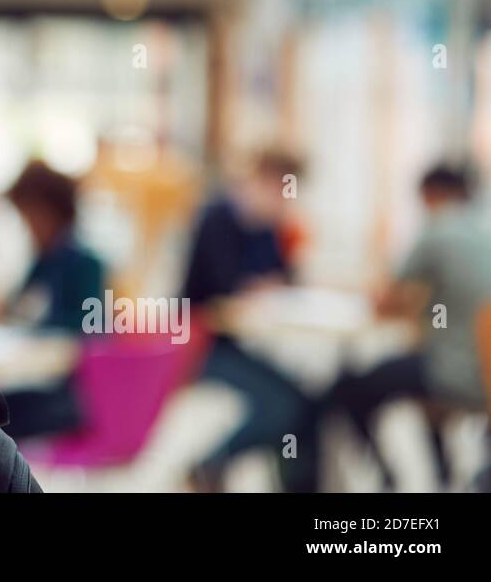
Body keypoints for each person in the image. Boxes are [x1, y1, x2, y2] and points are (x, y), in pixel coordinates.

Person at [325, 164, 491, 489]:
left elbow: (387, 301)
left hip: (460, 372)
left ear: (431, 195)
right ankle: (443, 474)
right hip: (485, 372)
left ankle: (387, 477)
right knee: (419, 374)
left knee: (349, 389)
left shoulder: (438, 228)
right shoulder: (483, 227)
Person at [183, 149, 320, 492]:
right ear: (260, 177)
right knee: (284, 406)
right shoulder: (217, 217)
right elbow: (225, 292)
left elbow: (285, 279)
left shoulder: (267, 225)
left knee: (310, 399)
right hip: (201, 343)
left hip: (239, 341)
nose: (283, 196)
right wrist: (260, 286)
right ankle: (209, 464)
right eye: (279, 186)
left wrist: (286, 240)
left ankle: (297, 484)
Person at [6, 160, 104, 333]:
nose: (30, 228)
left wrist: (38, 320)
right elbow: (18, 307)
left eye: (34, 217)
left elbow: (91, 325)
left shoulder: (86, 265)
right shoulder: (43, 261)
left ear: (55, 213)